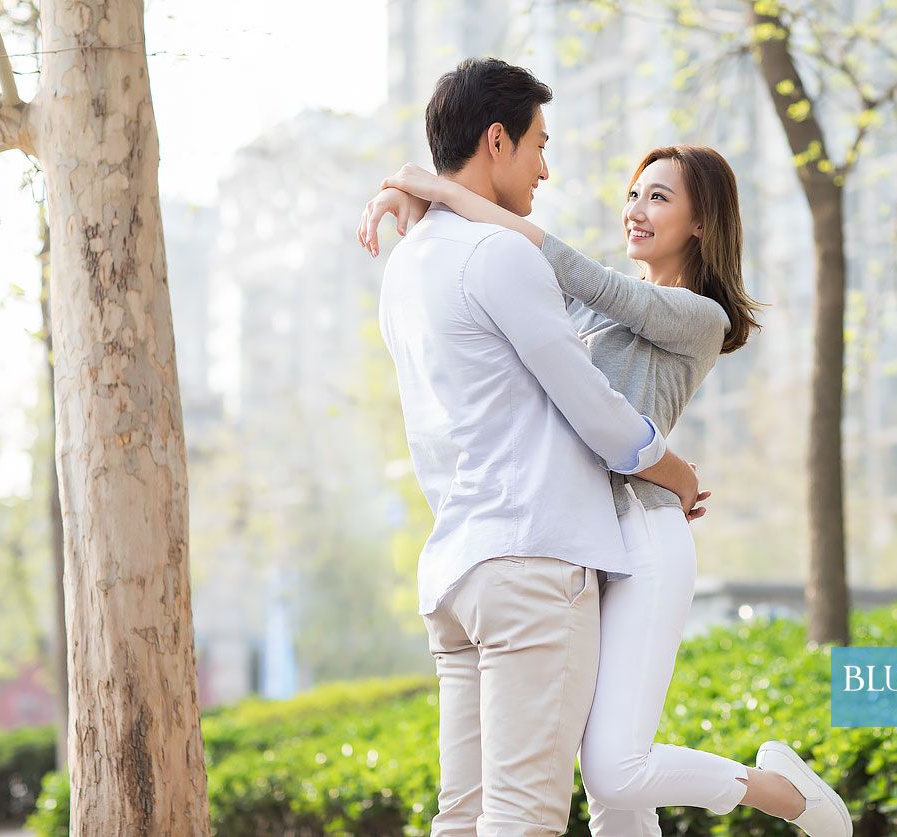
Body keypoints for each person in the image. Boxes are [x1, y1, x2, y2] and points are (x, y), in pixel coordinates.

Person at [360, 131, 853, 835]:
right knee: (612, 797)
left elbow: (568, 268)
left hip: (644, 538)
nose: (636, 210)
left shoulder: (700, 318)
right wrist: (417, 205)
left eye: (658, 197)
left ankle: (783, 793)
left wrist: (437, 188)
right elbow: (516, 287)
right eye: (632, 194)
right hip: (577, 537)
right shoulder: (599, 310)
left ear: (702, 222)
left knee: (615, 769)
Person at [369, 57, 706, 836]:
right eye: (538, 146)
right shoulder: (500, 254)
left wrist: (420, 194)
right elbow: (596, 409)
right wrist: (676, 471)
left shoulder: (405, 264)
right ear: (497, 141)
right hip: (531, 564)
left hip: (456, 569)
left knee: (463, 815)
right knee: (522, 817)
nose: (545, 169)